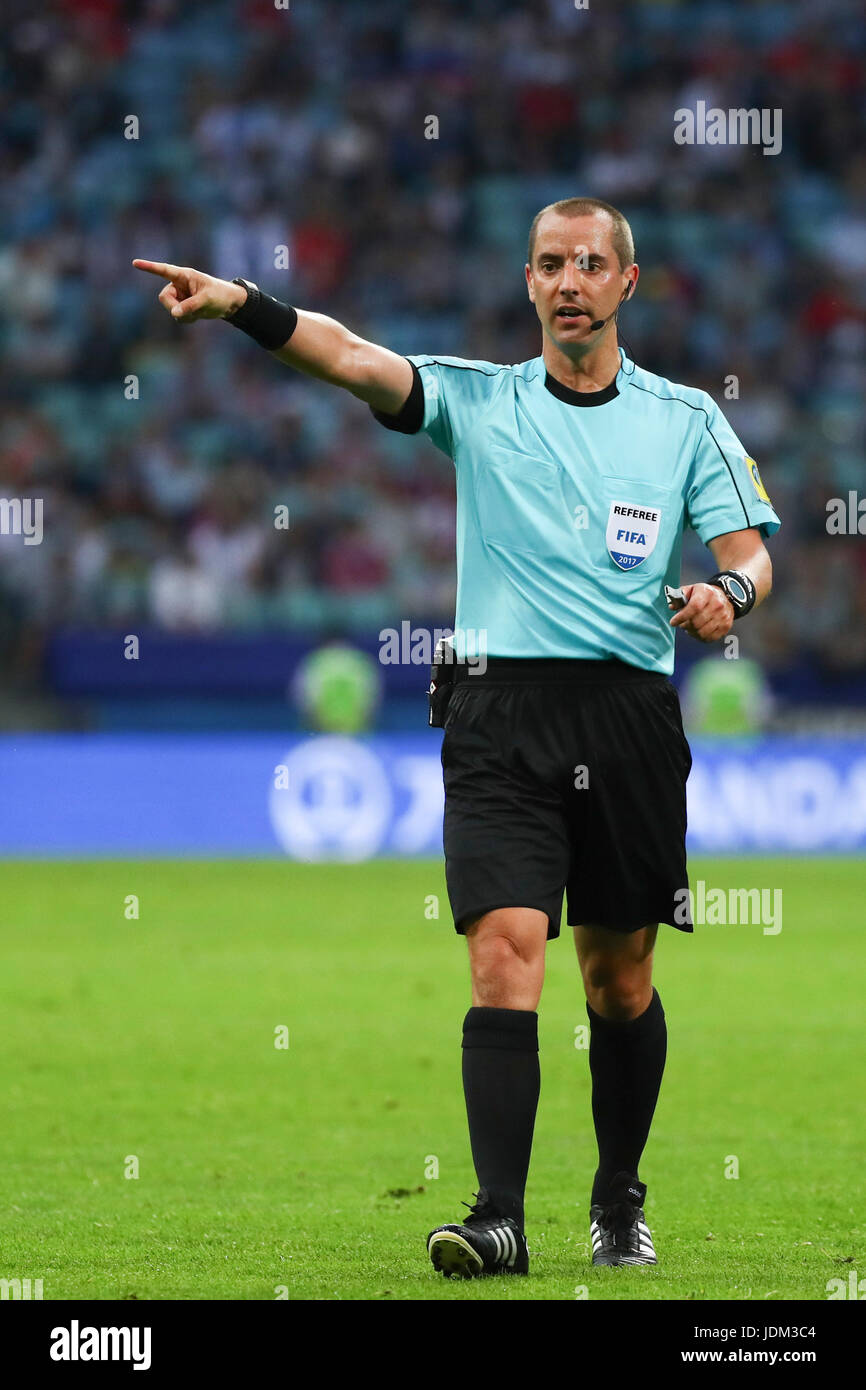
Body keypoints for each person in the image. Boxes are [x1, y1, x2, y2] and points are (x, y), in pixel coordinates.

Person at [133, 195, 779, 1278]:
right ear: (526, 285)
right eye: (546, 264)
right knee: (501, 953)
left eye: (586, 263)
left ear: (627, 282)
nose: (566, 281)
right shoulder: (476, 401)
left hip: (624, 715)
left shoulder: (683, 420)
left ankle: (617, 1197)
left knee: (616, 979)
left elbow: (753, 549)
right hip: (497, 716)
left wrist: (727, 594)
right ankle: (498, 1217)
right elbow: (348, 359)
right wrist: (246, 305)